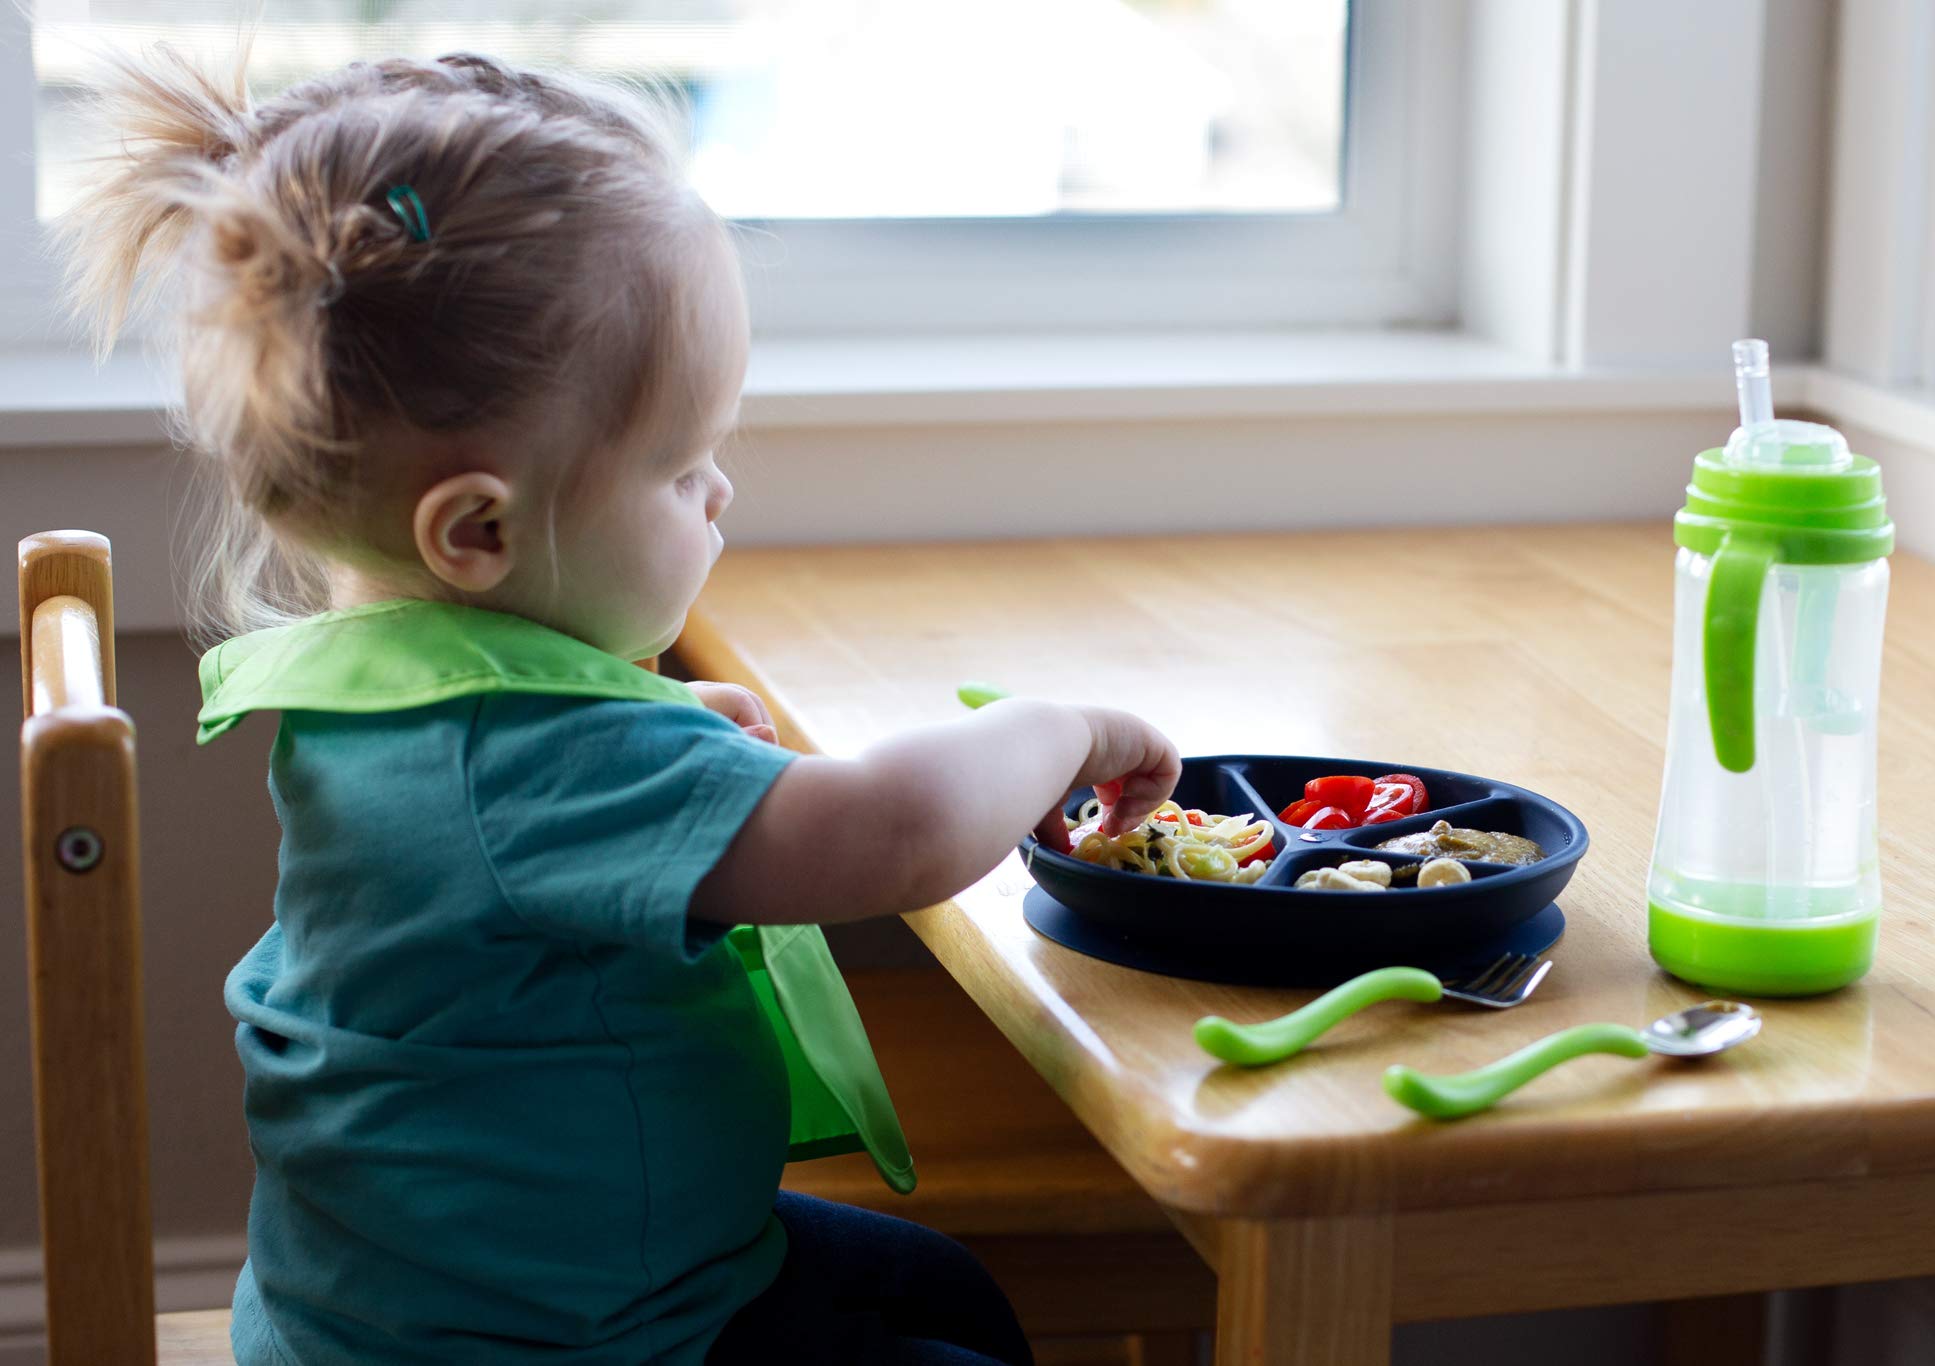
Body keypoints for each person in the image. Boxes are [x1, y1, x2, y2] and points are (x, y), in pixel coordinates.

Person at [57, 45, 1180, 1365]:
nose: (719, 496)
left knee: (941, 1291)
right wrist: (1064, 726)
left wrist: (678, 742)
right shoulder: (529, 758)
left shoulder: (407, 682)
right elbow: (894, 832)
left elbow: (540, 818)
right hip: (543, 1343)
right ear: (477, 529)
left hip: (494, 1288)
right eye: (682, 464)